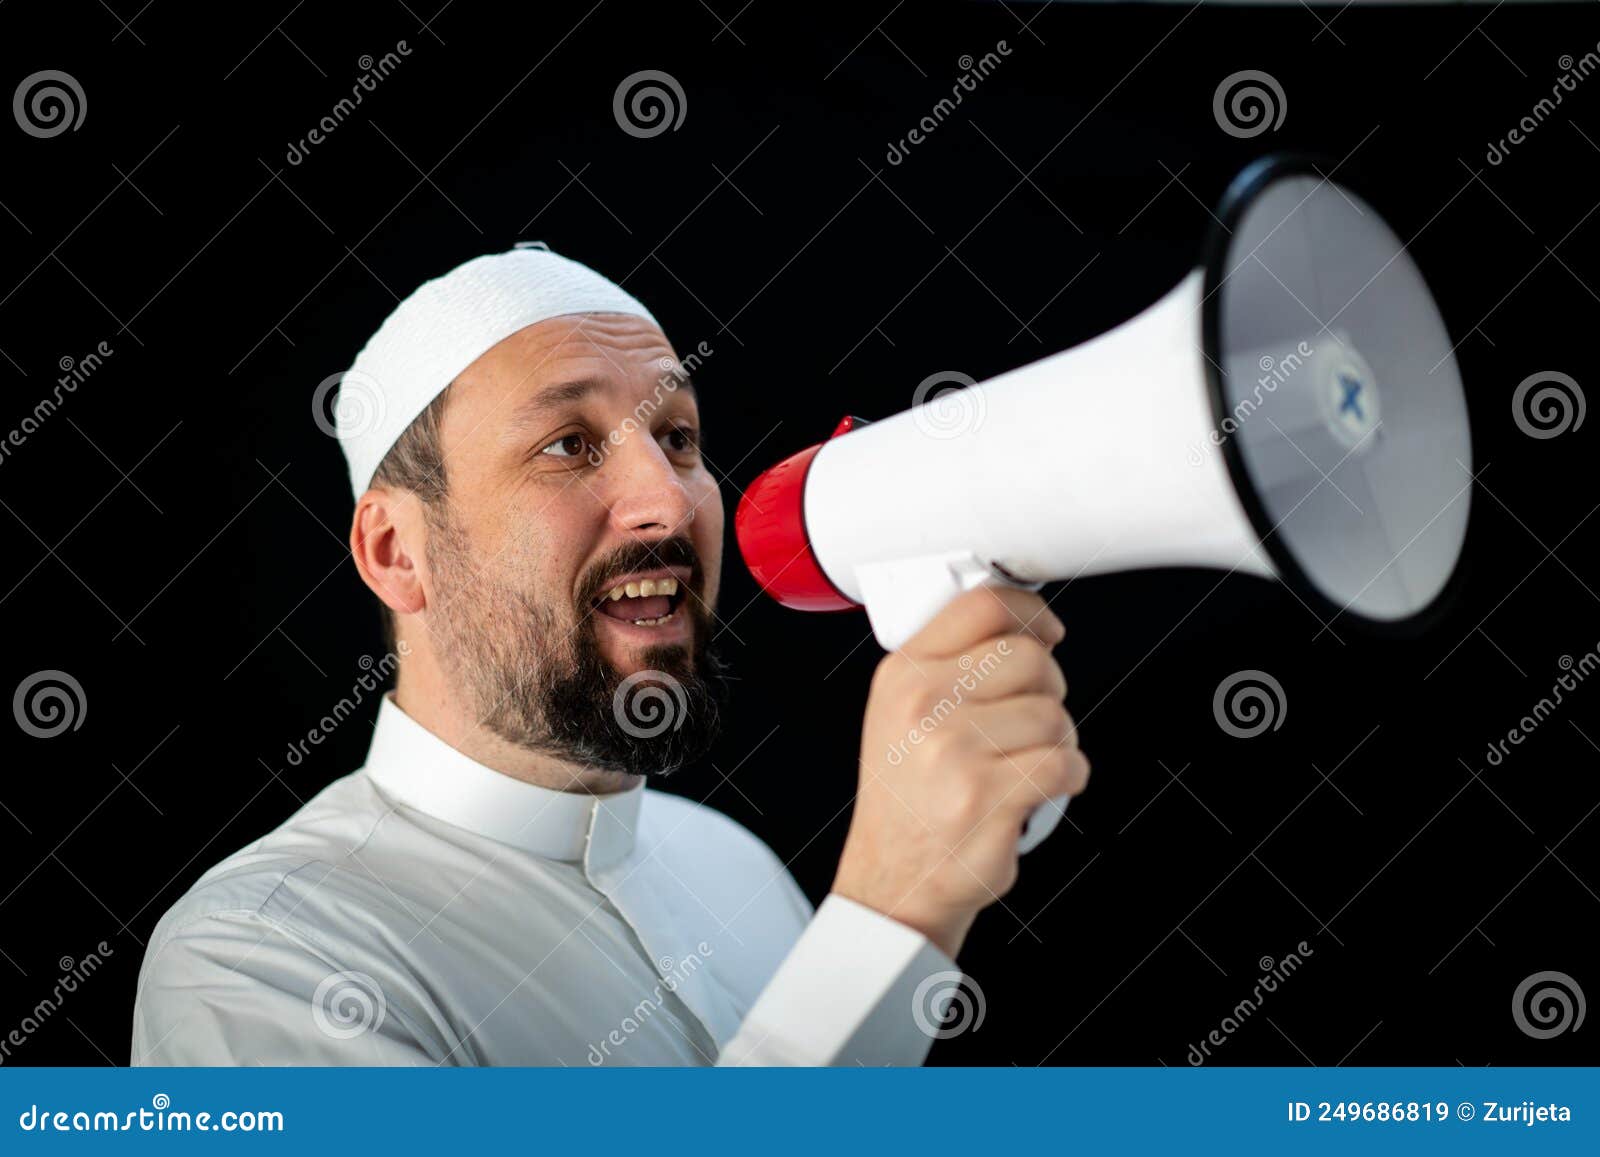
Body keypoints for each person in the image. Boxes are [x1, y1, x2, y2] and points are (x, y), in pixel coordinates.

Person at [130, 245, 1090, 1065]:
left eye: (676, 436)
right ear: (394, 552)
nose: (669, 501)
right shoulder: (257, 960)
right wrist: (889, 914)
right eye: (569, 444)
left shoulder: (736, 867)